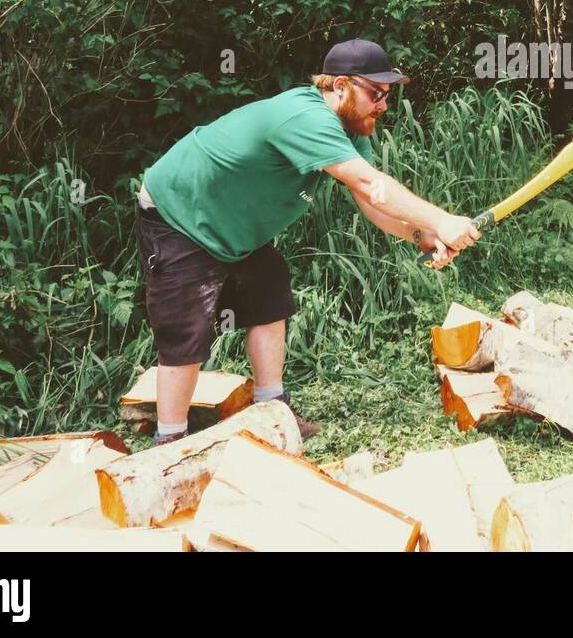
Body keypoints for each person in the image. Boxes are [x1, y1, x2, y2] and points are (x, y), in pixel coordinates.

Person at [133, 38, 481, 444]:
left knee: (268, 291)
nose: (384, 105)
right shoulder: (305, 117)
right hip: (180, 214)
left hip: (234, 225)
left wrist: (421, 234)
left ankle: (272, 412)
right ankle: (170, 441)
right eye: (376, 93)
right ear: (339, 86)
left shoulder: (350, 129)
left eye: (388, 95)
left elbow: (368, 199)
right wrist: (441, 218)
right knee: (186, 328)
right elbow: (372, 185)